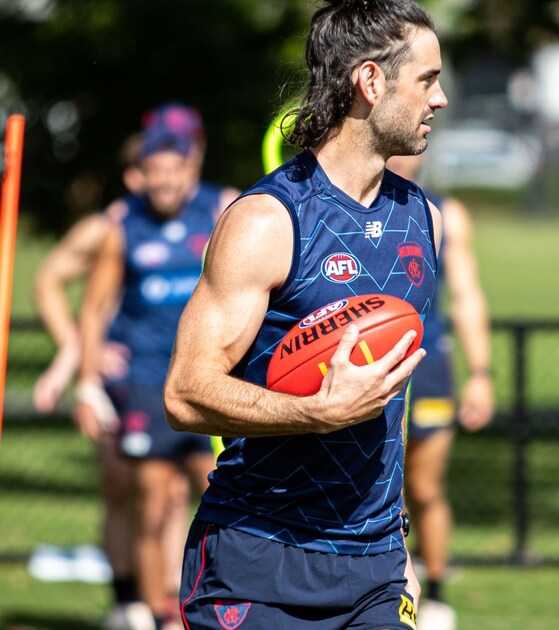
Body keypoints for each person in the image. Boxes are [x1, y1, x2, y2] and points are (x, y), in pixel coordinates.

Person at [162, 1, 448, 628]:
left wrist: (398, 547)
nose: (442, 98)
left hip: (375, 567)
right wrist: (312, 413)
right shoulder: (266, 221)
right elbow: (185, 394)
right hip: (257, 559)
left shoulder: (425, 220)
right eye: (426, 79)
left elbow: (387, 410)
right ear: (371, 82)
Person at [77, 110, 238, 630]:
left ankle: (224, 607)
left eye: (176, 170)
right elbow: (95, 307)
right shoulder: (122, 226)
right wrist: (86, 382)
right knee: (153, 502)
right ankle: (157, 615)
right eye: (156, 171)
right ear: (141, 172)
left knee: (220, 493)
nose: (166, 181)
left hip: (209, 377)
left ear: (192, 168)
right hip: (144, 381)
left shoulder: (222, 210)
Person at [33, 133, 150, 630]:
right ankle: (125, 599)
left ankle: (160, 598)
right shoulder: (110, 227)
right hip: (115, 378)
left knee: (161, 494)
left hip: (159, 371)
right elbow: (48, 280)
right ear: (133, 177)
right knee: (120, 486)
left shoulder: (198, 220)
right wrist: (78, 351)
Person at [386, 154, 495, 630]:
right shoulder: (348, 207)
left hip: (429, 368)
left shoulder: (443, 213)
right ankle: (387, 588)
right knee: (379, 488)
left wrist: (480, 372)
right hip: (369, 369)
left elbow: (468, 295)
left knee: (425, 487)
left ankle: (436, 596)